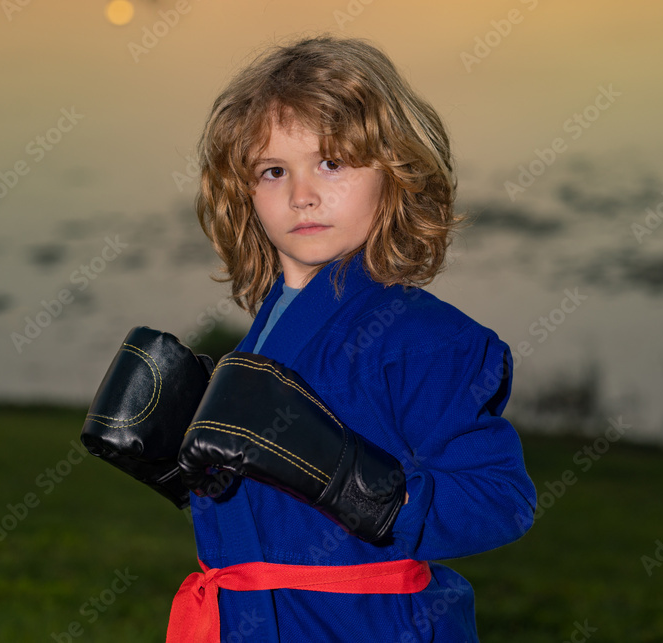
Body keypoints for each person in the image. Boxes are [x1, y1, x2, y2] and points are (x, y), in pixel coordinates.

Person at [155, 34, 539, 642]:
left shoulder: (425, 339)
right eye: (273, 171)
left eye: (331, 163)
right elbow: (278, 505)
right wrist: (184, 468)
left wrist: (364, 491)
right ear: (243, 193)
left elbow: (500, 500)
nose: (301, 194)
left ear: (394, 172)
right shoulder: (270, 324)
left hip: (362, 624)